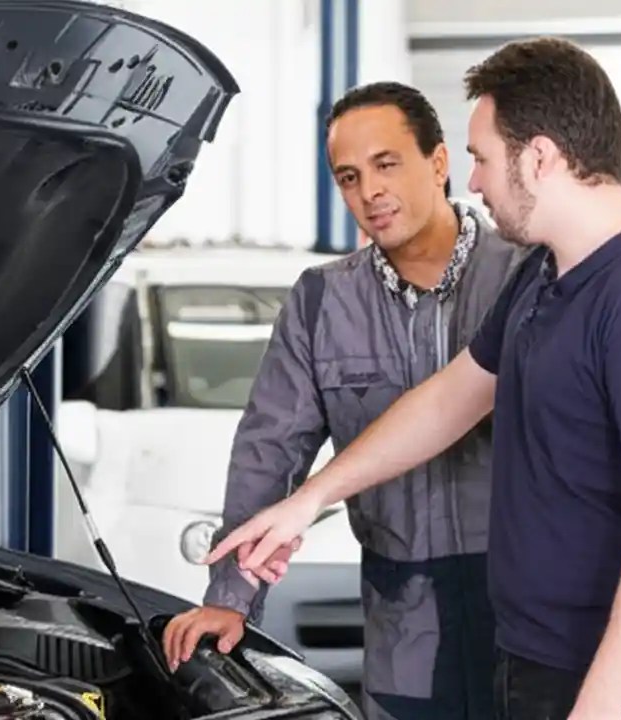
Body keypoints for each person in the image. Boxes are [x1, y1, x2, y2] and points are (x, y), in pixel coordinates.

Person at [205, 38, 621, 720]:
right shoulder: (544, 281)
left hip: (611, 681)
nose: (476, 182)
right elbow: (448, 401)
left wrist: (596, 712)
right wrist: (307, 501)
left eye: (482, 158)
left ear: (539, 158)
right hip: (535, 660)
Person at [161, 81, 526, 720]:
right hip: (404, 615)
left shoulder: (524, 275)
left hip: (526, 601)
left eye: (387, 165)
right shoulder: (322, 303)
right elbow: (269, 452)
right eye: (349, 176)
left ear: (439, 163)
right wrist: (230, 597)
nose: (370, 192)